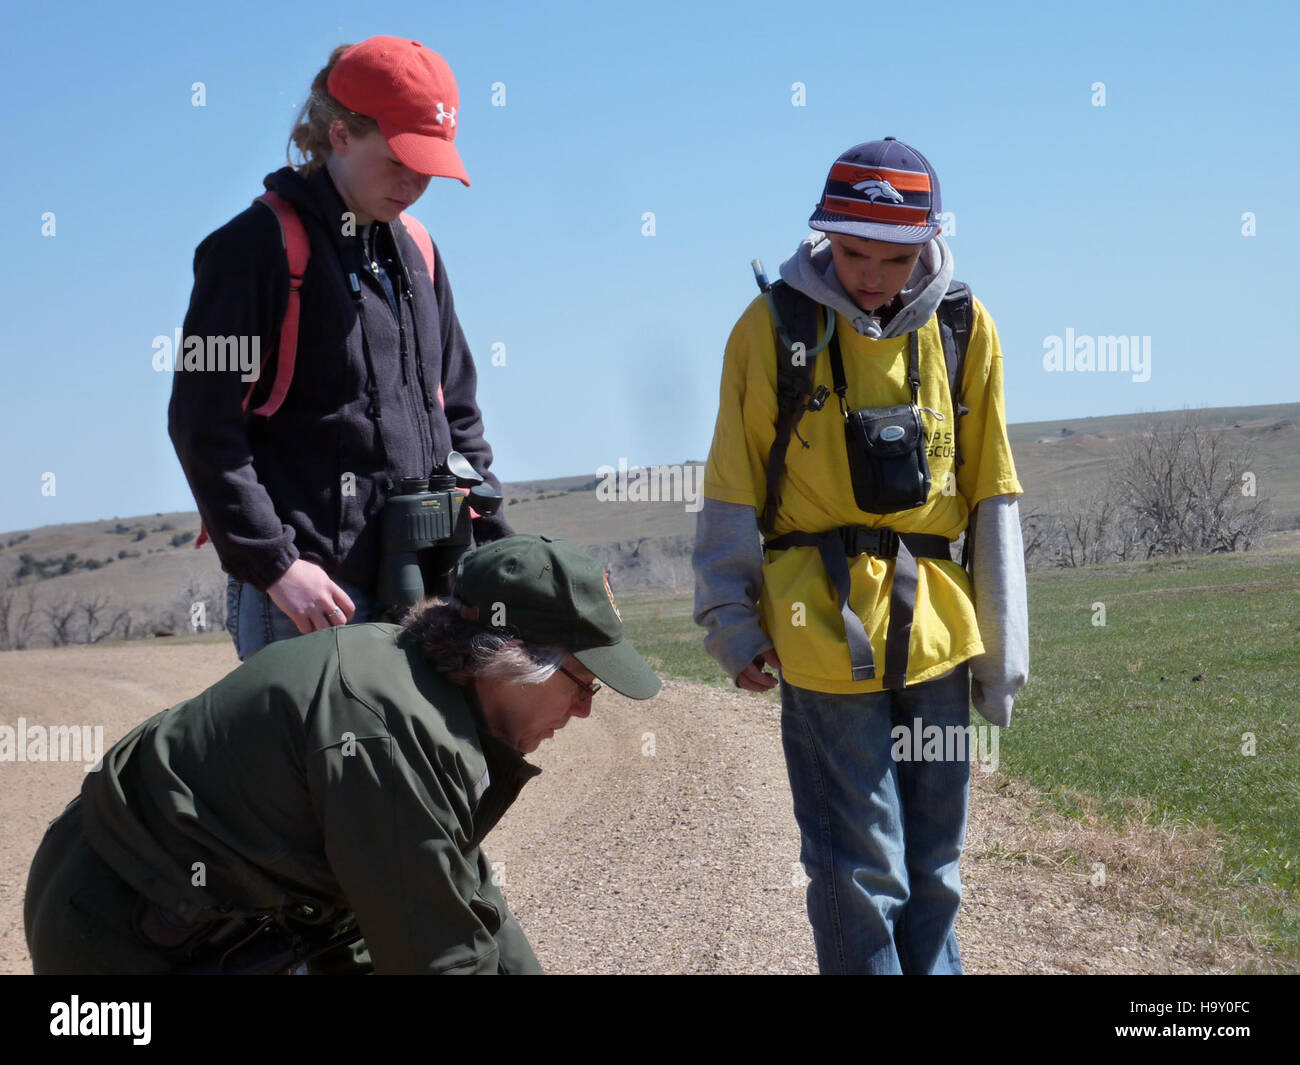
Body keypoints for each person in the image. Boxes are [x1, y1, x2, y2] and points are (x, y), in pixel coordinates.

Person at [693, 138, 1028, 974]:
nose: (870, 274)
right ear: (822, 239)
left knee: (936, 869)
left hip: (938, 638)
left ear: (929, 247)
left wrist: (1004, 654)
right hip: (817, 634)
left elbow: (993, 489)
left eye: (894, 256)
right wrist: (731, 625)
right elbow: (732, 480)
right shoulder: (772, 328)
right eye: (851, 252)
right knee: (860, 869)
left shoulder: (964, 326)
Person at [25, 535, 662, 975]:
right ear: (510, 661)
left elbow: (469, 902)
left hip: (177, 908)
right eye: (583, 684)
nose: (584, 710)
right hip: (118, 926)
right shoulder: (391, 733)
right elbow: (433, 957)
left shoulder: (425, 686)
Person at [168, 36, 511, 661]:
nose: (414, 183)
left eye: (429, 166)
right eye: (399, 159)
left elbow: (457, 415)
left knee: (436, 761)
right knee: (318, 761)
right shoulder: (254, 248)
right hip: (315, 595)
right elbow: (202, 426)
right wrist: (274, 567)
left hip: (428, 578)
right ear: (340, 134)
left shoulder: (420, 253)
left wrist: (494, 544)